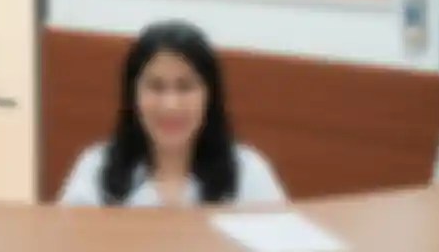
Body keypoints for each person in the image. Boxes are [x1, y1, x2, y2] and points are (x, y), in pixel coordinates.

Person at [58, 20, 287, 207]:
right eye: (156, 87)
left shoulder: (248, 172)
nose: (170, 105)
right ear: (133, 96)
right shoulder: (96, 167)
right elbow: (67, 250)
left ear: (210, 95)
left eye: (185, 87)